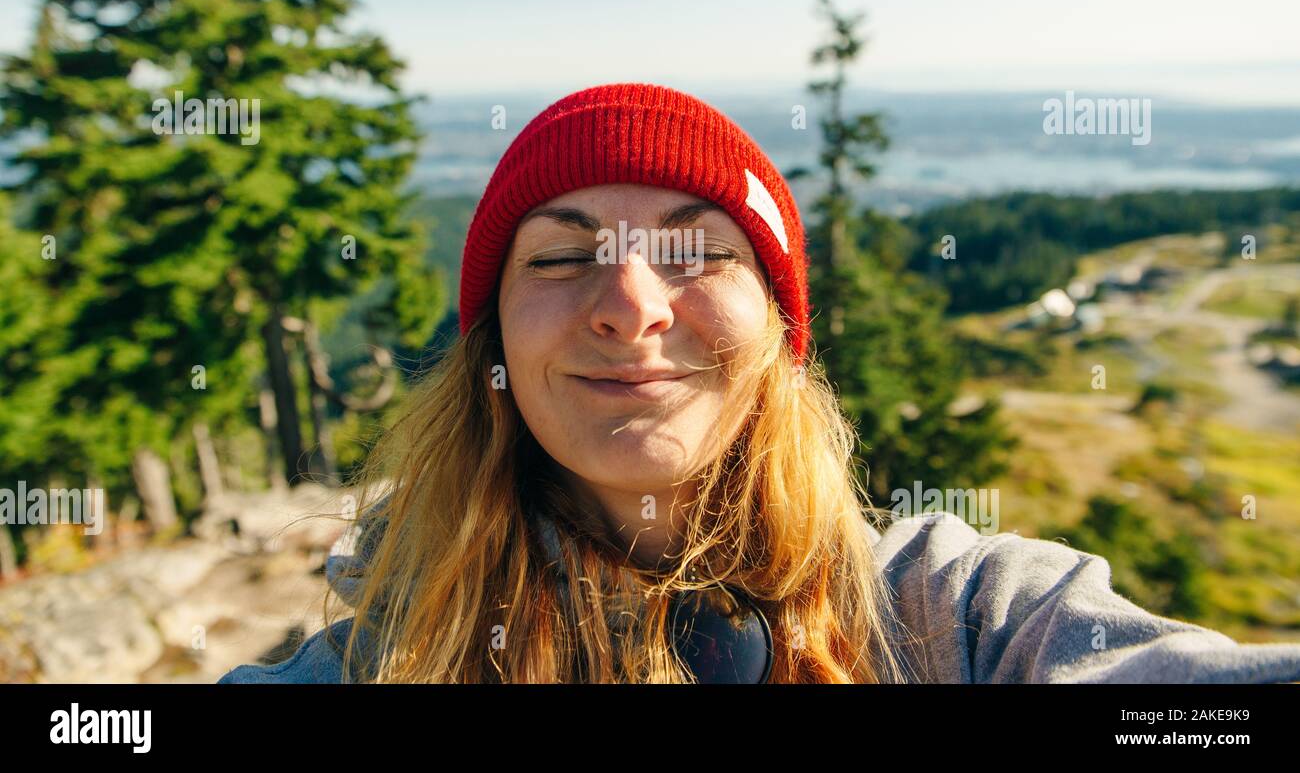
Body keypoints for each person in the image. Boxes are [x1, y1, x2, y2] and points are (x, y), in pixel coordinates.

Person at [218, 82, 1300, 684]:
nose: (632, 303)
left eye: (700, 251)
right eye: (557, 255)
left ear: (781, 339)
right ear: (489, 349)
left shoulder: (955, 619)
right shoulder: (383, 661)